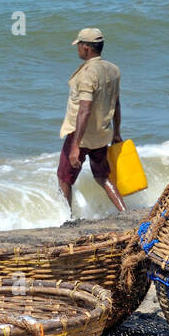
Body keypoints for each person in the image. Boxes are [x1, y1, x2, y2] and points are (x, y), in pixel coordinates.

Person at [57, 27, 125, 214]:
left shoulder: (87, 73)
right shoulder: (113, 69)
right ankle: (125, 212)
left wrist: (76, 145)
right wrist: (117, 132)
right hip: (102, 133)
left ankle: (66, 219)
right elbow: (116, 104)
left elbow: (84, 110)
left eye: (79, 44)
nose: (77, 48)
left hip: (81, 135)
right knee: (102, 177)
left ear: (86, 47)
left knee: (64, 178)